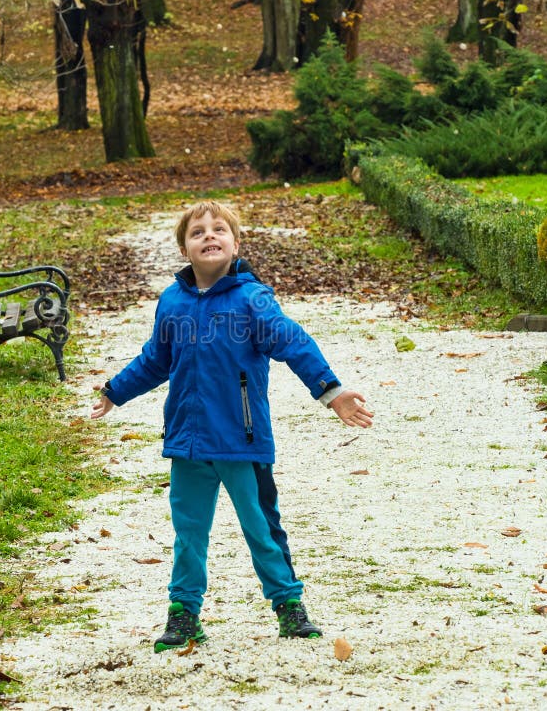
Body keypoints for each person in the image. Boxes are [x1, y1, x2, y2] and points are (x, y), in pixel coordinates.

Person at [91, 200, 373, 653]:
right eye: (197, 232)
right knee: (188, 533)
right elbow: (154, 360)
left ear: (235, 244)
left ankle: (288, 606)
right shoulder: (172, 301)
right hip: (187, 441)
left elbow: (293, 342)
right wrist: (115, 390)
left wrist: (332, 391)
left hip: (242, 441)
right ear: (184, 249)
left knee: (261, 528)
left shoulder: (252, 299)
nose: (209, 236)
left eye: (218, 229)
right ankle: (183, 614)